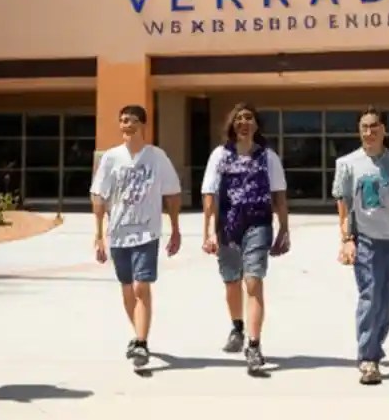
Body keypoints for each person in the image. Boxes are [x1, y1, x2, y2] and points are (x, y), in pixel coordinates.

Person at [332, 106, 389, 385]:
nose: (369, 132)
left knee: (385, 302)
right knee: (370, 296)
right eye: (364, 127)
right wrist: (346, 240)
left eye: (374, 126)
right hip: (365, 239)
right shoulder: (347, 164)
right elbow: (344, 206)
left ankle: (375, 349)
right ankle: (368, 358)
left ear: (384, 130)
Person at [90, 105, 182, 368]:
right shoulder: (111, 158)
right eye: (121, 121)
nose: (125, 125)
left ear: (142, 125)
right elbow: (99, 195)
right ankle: (139, 336)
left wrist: (175, 228)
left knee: (142, 286)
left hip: (147, 231)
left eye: (130, 120)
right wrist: (98, 235)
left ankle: (141, 342)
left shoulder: (156, 157)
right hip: (118, 232)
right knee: (127, 287)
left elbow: (172, 193)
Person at [200, 102, 289, 374]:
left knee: (254, 280)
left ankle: (254, 344)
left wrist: (284, 228)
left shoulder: (268, 157)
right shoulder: (220, 155)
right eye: (238, 118)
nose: (244, 122)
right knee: (231, 281)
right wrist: (207, 232)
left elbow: (279, 195)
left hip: (258, 224)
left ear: (256, 124)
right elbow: (209, 195)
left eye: (249, 118)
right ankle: (237, 326)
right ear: (232, 124)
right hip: (227, 226)